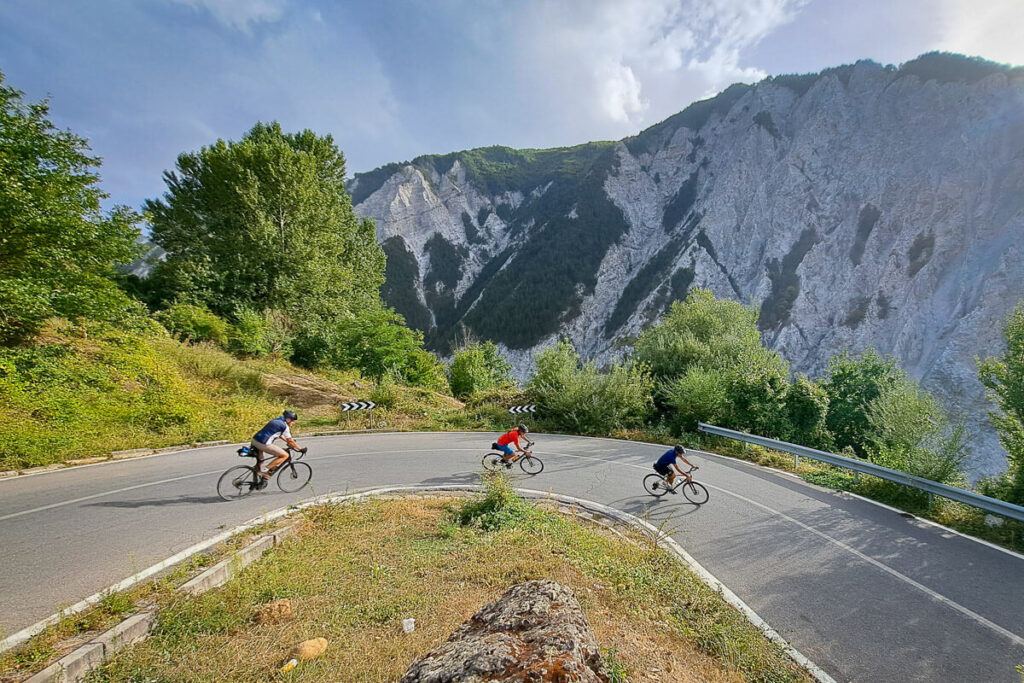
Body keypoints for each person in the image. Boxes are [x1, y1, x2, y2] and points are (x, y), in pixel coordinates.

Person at [251, 410, 305, 488]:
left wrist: (287, 441)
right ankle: (265, 471)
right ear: (288, 419)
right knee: (284, 455)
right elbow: (290, 441)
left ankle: (255, 482)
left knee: (260, 461)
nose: (293, 423)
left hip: (255, 441)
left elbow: (279, 435)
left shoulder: (276, 420)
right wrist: (300, 449)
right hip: (263, 444)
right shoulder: (284, 426)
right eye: (293, 421)